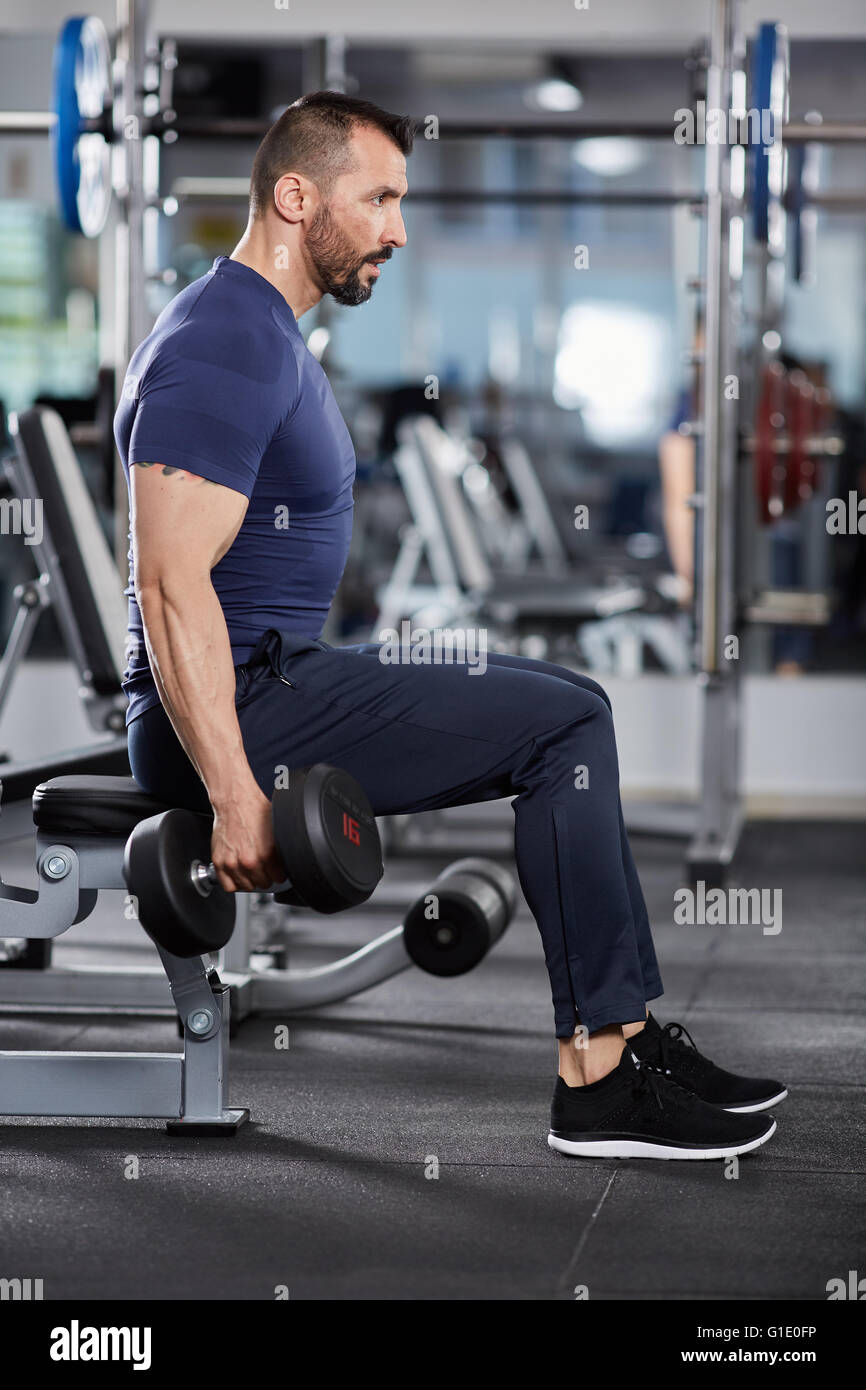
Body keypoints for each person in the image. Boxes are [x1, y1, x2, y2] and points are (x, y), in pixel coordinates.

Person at [114, 92, 786, 1161]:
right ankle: (600, 1075)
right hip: (239, 707)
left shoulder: (255, 329)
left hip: (278, 679)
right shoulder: (222, 341)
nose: (396, 226)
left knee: (566, 708)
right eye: (377, 196)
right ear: (296, 197)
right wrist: (236, 790)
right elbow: (167, 581)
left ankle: (615, 1043)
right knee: (559, 728)